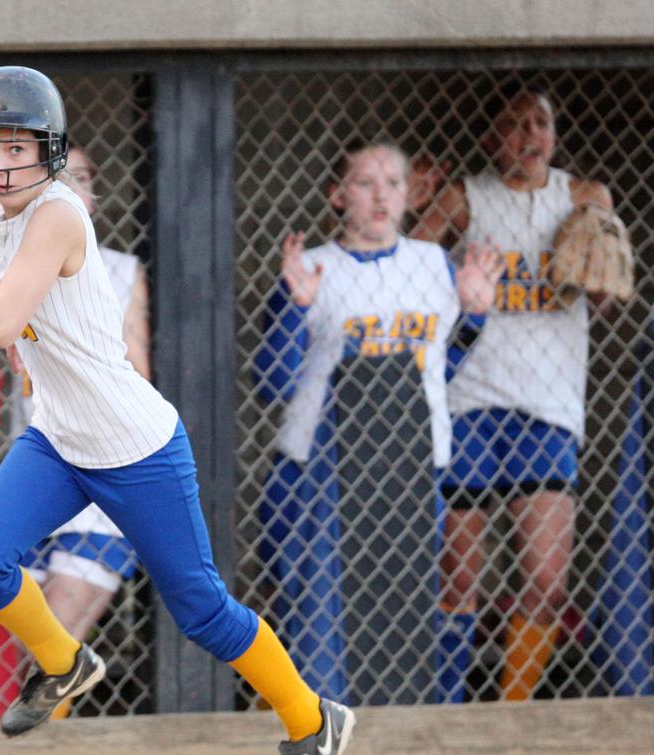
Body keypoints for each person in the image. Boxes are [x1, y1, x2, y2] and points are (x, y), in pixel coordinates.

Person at [0, 65, 350, 755]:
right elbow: (17, 332)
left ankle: (312, 718)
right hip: (60, 441)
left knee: (202, 610)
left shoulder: (58, 214)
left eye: (18, 148)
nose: (2, 165)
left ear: (51, 151)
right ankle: (62, 660)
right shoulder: (6, 220)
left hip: (135, 449)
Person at [253, 140, 500, 704]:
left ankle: (412, 725)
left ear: (411, 194)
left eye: (393, 182)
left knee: (397, 612)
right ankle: (312, 720)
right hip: (320, 466)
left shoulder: (433, 264)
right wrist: (292, 308)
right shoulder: (315, 266)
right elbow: (272, 383)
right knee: (310, 607)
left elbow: (442, 368)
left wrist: (475, 317)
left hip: (409, 465)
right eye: (365, 182)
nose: (381, 194)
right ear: (338, 195)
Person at [412, 88, 618, 701]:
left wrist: (594, 269)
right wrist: (420, 222)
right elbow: (404, 271)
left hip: (549, 407)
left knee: (547, 581)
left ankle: (512, 709)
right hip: (470, 402)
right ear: (489, 139)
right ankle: (448, 705)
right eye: (512, 125)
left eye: (540, 123)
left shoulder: (583, 198)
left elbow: (606, 299)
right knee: (457, 576)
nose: (528, 136)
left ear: (555, 135)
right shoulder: (466, 198)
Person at [0, 145, 151, 720]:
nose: (65, 188)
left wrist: (65, 330)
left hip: (105, 458)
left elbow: (139, 370)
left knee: (59, 621)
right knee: (33, 642)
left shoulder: (119, 270)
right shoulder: (8, 261)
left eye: (78, 178)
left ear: (90, 197)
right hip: (42, 463)